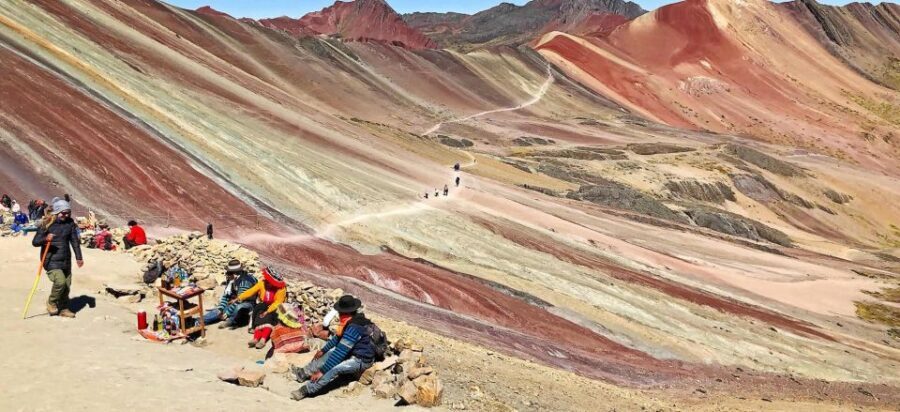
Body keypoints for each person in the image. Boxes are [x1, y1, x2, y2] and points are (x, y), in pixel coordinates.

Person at [291, 295, 378, 400]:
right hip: (352, 351)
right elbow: (337, 339)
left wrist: (322, 371)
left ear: (345, 313)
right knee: (328, 354)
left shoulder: (354, 327)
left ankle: (307, 390)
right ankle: (303, 373)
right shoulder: (353, 320)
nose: (339, 314)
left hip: (361, 359)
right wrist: (323, 350)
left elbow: (340, 353)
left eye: (340, 312)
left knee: (334, 369)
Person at [32, 198, 83, 318]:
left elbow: (74, 241)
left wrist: (79, 257)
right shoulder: (46, 223)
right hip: (50, 260)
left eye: (68, 213)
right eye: (63, 213)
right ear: (56, 212)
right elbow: (35, 242)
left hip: (66, 259)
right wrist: (45, 239)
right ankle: (51, 302)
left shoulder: (70, 223)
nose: (66, 215)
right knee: (60, 282)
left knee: (66, 285)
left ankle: (64, 308)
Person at [233, 266, 286, 349]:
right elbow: (251, 291)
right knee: (258, 316)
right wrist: (239, 298)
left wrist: (268, 311)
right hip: (262, 304)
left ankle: (263, 340)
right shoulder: (262, 283)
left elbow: (278, 302)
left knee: (267, 318)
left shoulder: (281, 289)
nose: (268, 283)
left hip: (274, 307)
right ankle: (255, 338)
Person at [203, 260, 256, 329]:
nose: (226, 275)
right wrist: (221, 308)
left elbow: (240, 300)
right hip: (234, 301)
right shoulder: (231, 280)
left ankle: (231, 321)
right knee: (218, 311)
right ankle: (199, 321)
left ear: (234, 274)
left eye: (228, 273)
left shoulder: (245, 282)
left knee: (238, 308)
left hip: (247, 303)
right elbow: (226, 296)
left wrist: (227, 313)